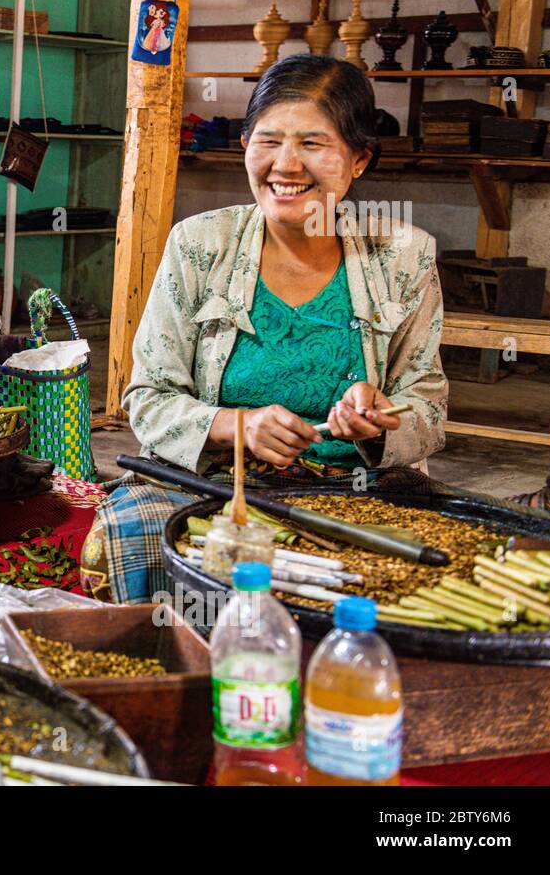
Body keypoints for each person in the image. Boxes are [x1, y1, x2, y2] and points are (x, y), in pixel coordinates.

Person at [80, 54, 447, 605]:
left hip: (358, 493)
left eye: (314, 144)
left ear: (359, 159)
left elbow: (430, 406)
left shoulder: (403, 256)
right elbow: (148, 400)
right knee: (128, 542)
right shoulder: (200, 244)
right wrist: (235, 426)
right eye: (268, 140)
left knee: (437, 567)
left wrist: (381, 420)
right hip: (211, 489)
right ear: (246, 144)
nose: (286, 165)